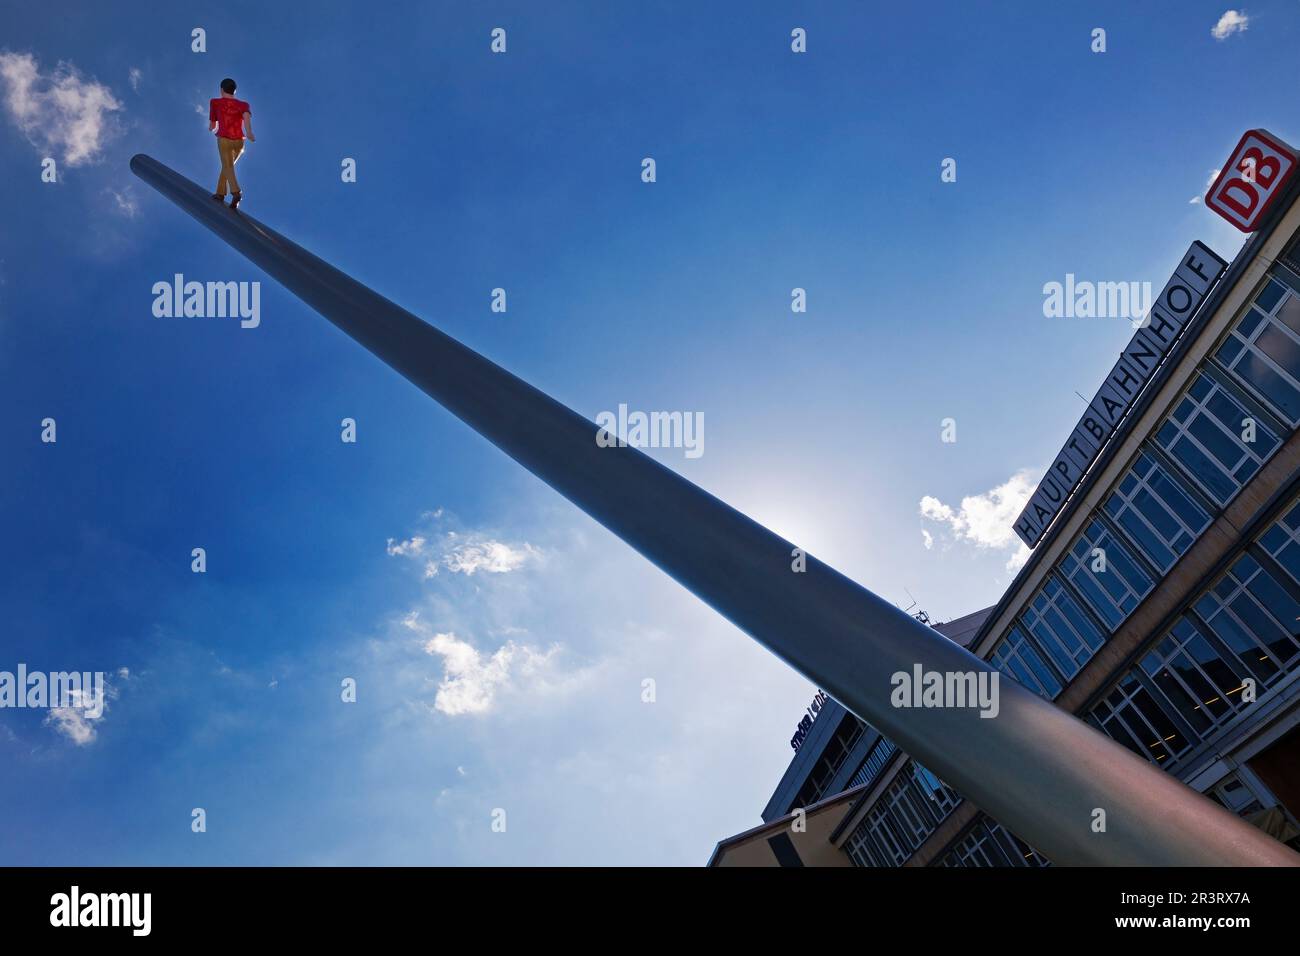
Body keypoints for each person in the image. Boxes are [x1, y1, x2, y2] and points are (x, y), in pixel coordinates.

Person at [209, 78, 254, 208]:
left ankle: (236, 192)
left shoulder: (215, 102)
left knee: (227, 166)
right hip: (239, 142)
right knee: (227, 166)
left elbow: (213, 124)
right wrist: (249, 133)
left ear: (221, 90)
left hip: (224, 140)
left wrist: (211, 127)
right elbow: (246, 118)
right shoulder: (243, 104)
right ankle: (220, 193)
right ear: (234, 91)